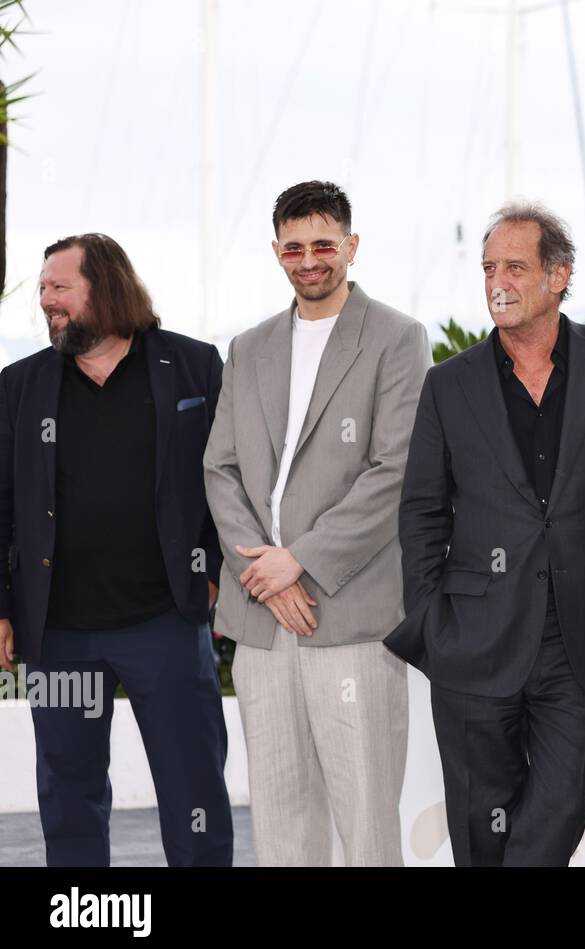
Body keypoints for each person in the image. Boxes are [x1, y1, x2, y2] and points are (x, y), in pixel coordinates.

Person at [384, 201, 585, 866]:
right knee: (481, 822)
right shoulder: (450, 384)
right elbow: (421, 507)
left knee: (559, 809)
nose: (497, 280)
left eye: (514, 266)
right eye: (487, 268)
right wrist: (431, 617)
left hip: (580, 632)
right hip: (473, 637)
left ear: (558, 276)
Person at [204, 181, 429, 866]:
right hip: (263, 621)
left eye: (324, 244)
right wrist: (265, 576)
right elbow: (221, 469)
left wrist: (297, 560)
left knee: (365, 819)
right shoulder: (249, 347)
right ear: (277, 251)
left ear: (351, 247)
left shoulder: (397, 338)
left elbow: (394, 471)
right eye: (294, 247)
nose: (310, 259)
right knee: (279, 816)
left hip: (351, 616)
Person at [0, 234, 232, 866]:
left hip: (166, 623)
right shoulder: (19, 387)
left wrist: (210, 572)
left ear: (103, 287)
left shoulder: (192, 366)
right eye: (43, 289)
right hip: (60, 632)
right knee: (68, 797)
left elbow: (230, 478)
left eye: (59, 288)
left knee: (194, 789)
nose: (46, 301)